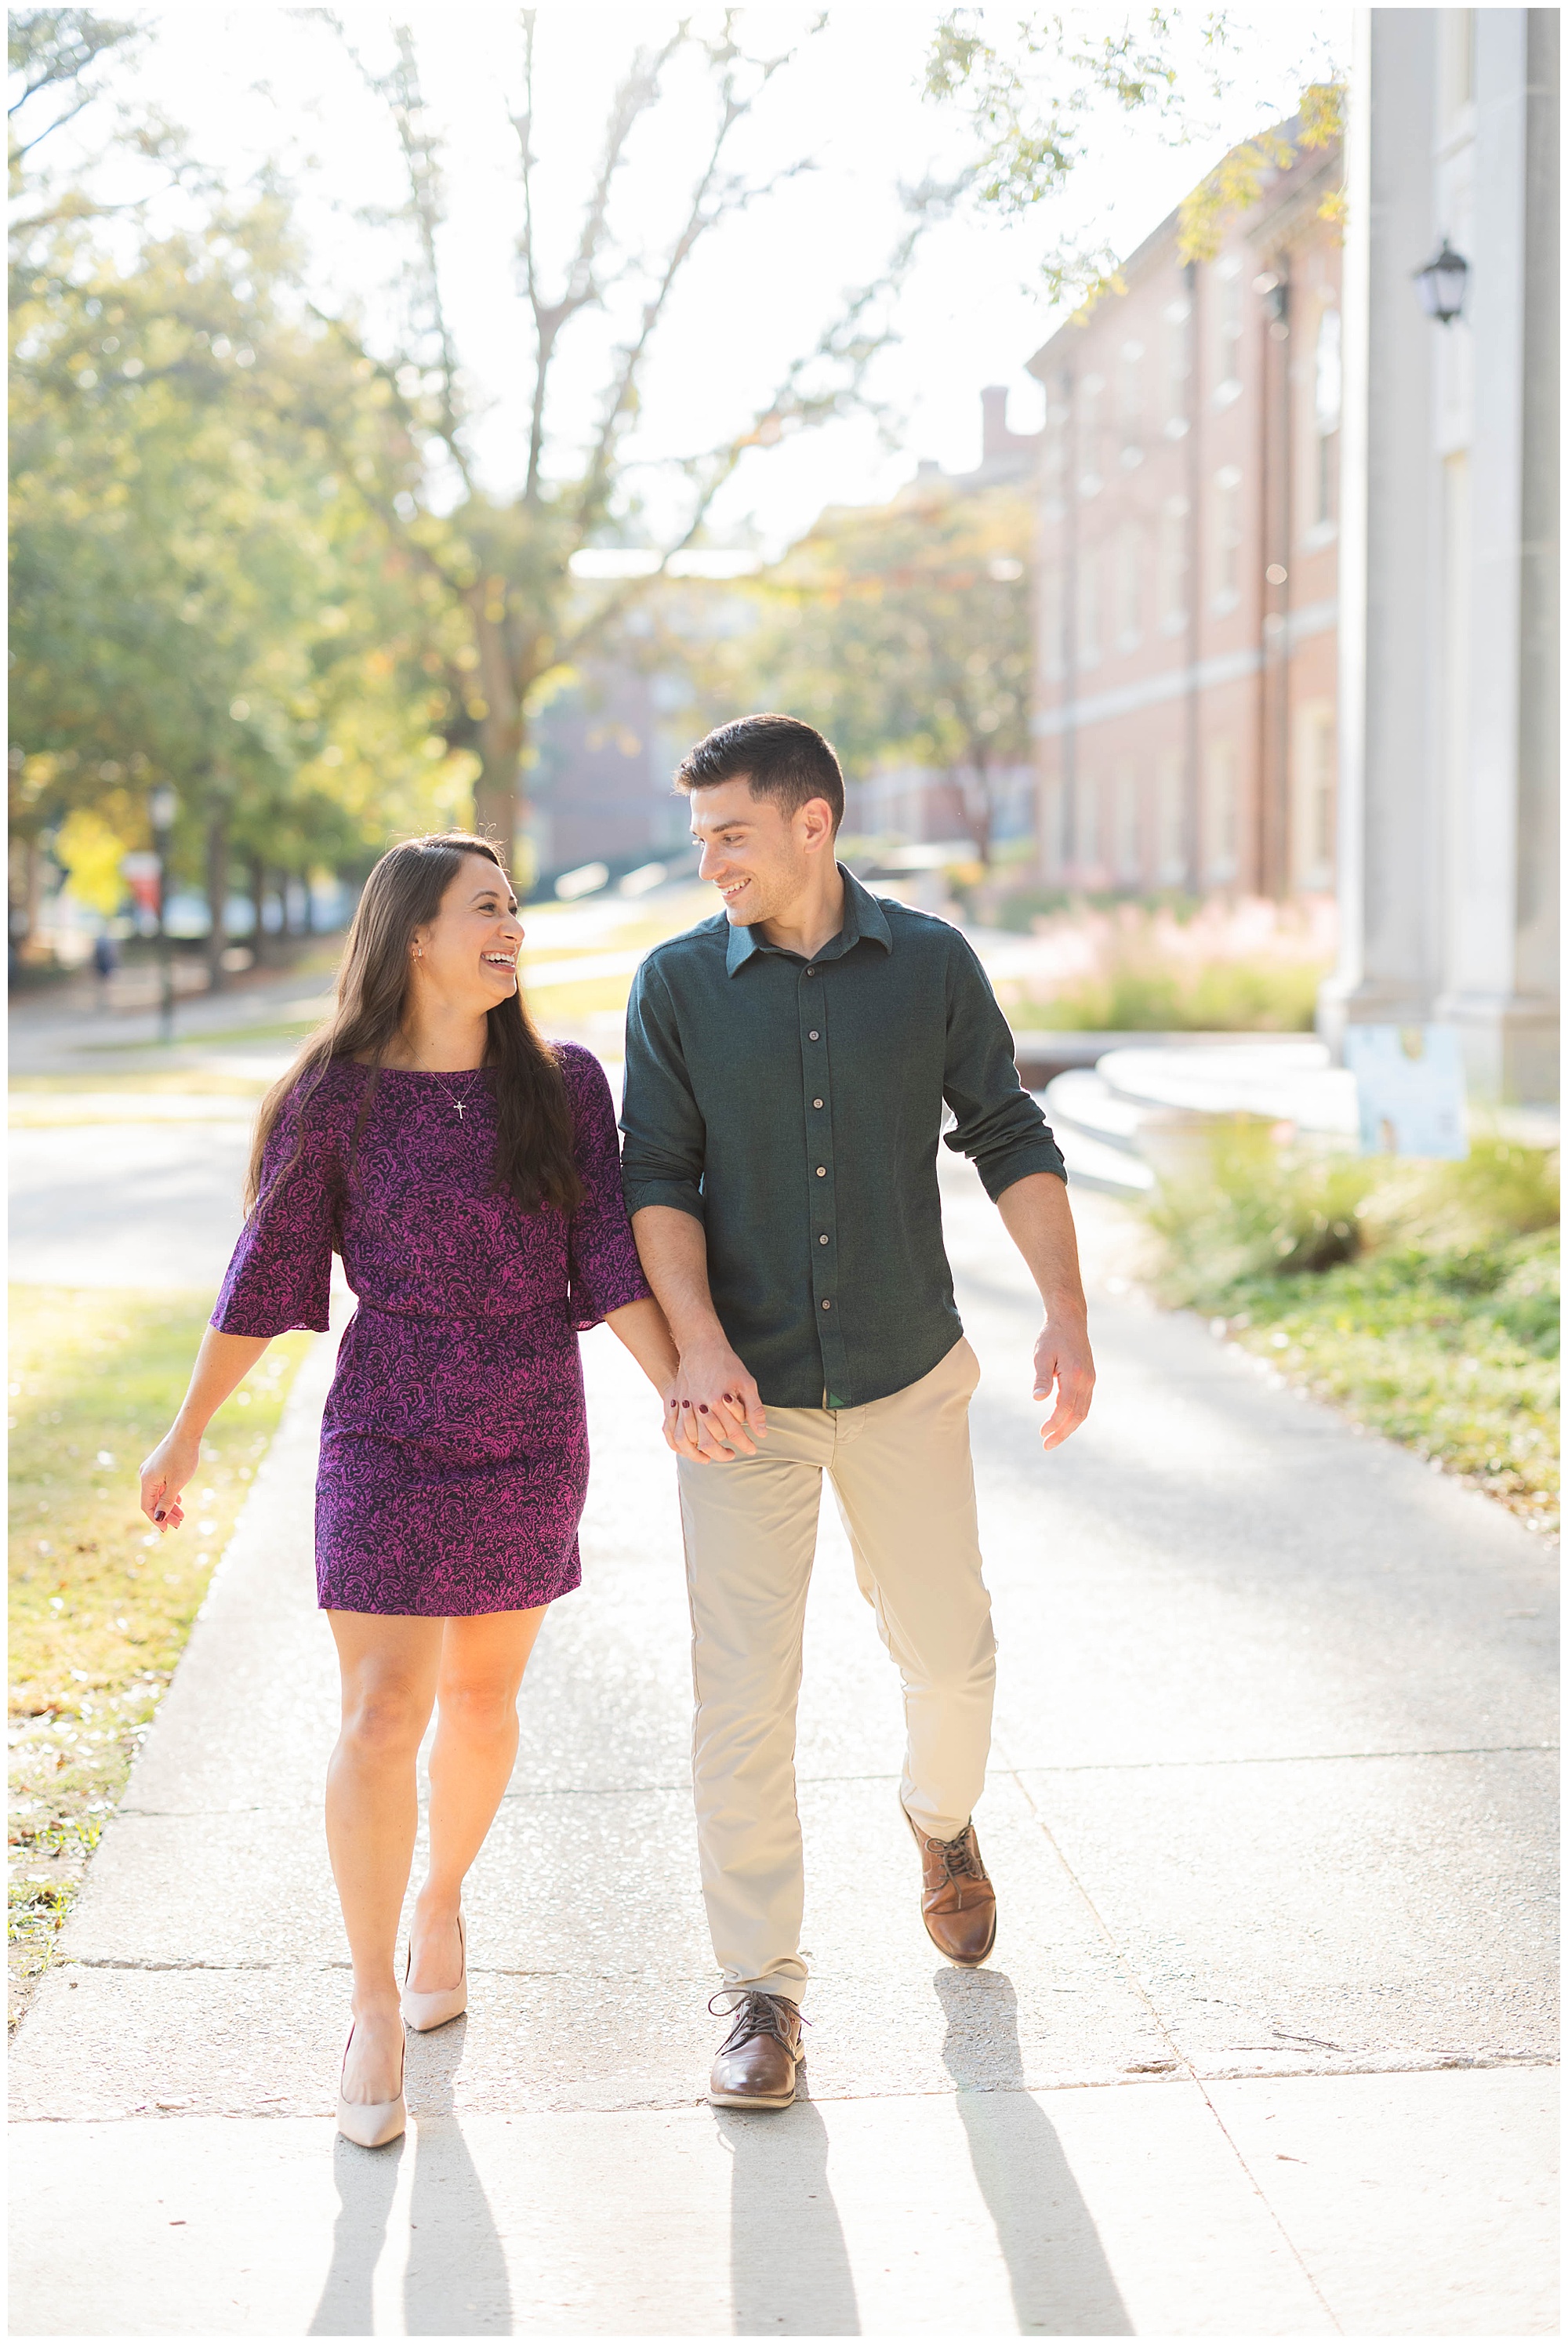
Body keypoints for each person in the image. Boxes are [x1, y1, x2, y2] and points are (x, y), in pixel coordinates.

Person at [139, 834, 678, 2148]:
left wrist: (682, 1383)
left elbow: (608, 1259)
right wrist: (186, 1431)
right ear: (413, 936)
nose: (511, 929)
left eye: (513, 910)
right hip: (383, 1427)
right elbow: (266, 1274)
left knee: (484, 1701)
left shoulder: (564, 1085)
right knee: (384, 1715)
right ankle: (373, 1998)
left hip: (528, 1424)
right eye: (483, 909)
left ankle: (443, 1898)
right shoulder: (333, 1096)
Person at [620, 714, 1095, 2112]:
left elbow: (1007, 1128)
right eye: (699, 834)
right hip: (745, 1400)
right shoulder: (675, 987)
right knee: (742, 1701)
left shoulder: (932, 964)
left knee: (952, 1659)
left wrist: (1065, 1311)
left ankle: (939, 1821)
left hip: (903, 1368)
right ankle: (761, 1993)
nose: (707, 859)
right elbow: (656, 1176)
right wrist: (696, 1347)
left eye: (730, 834)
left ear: (813, 823)